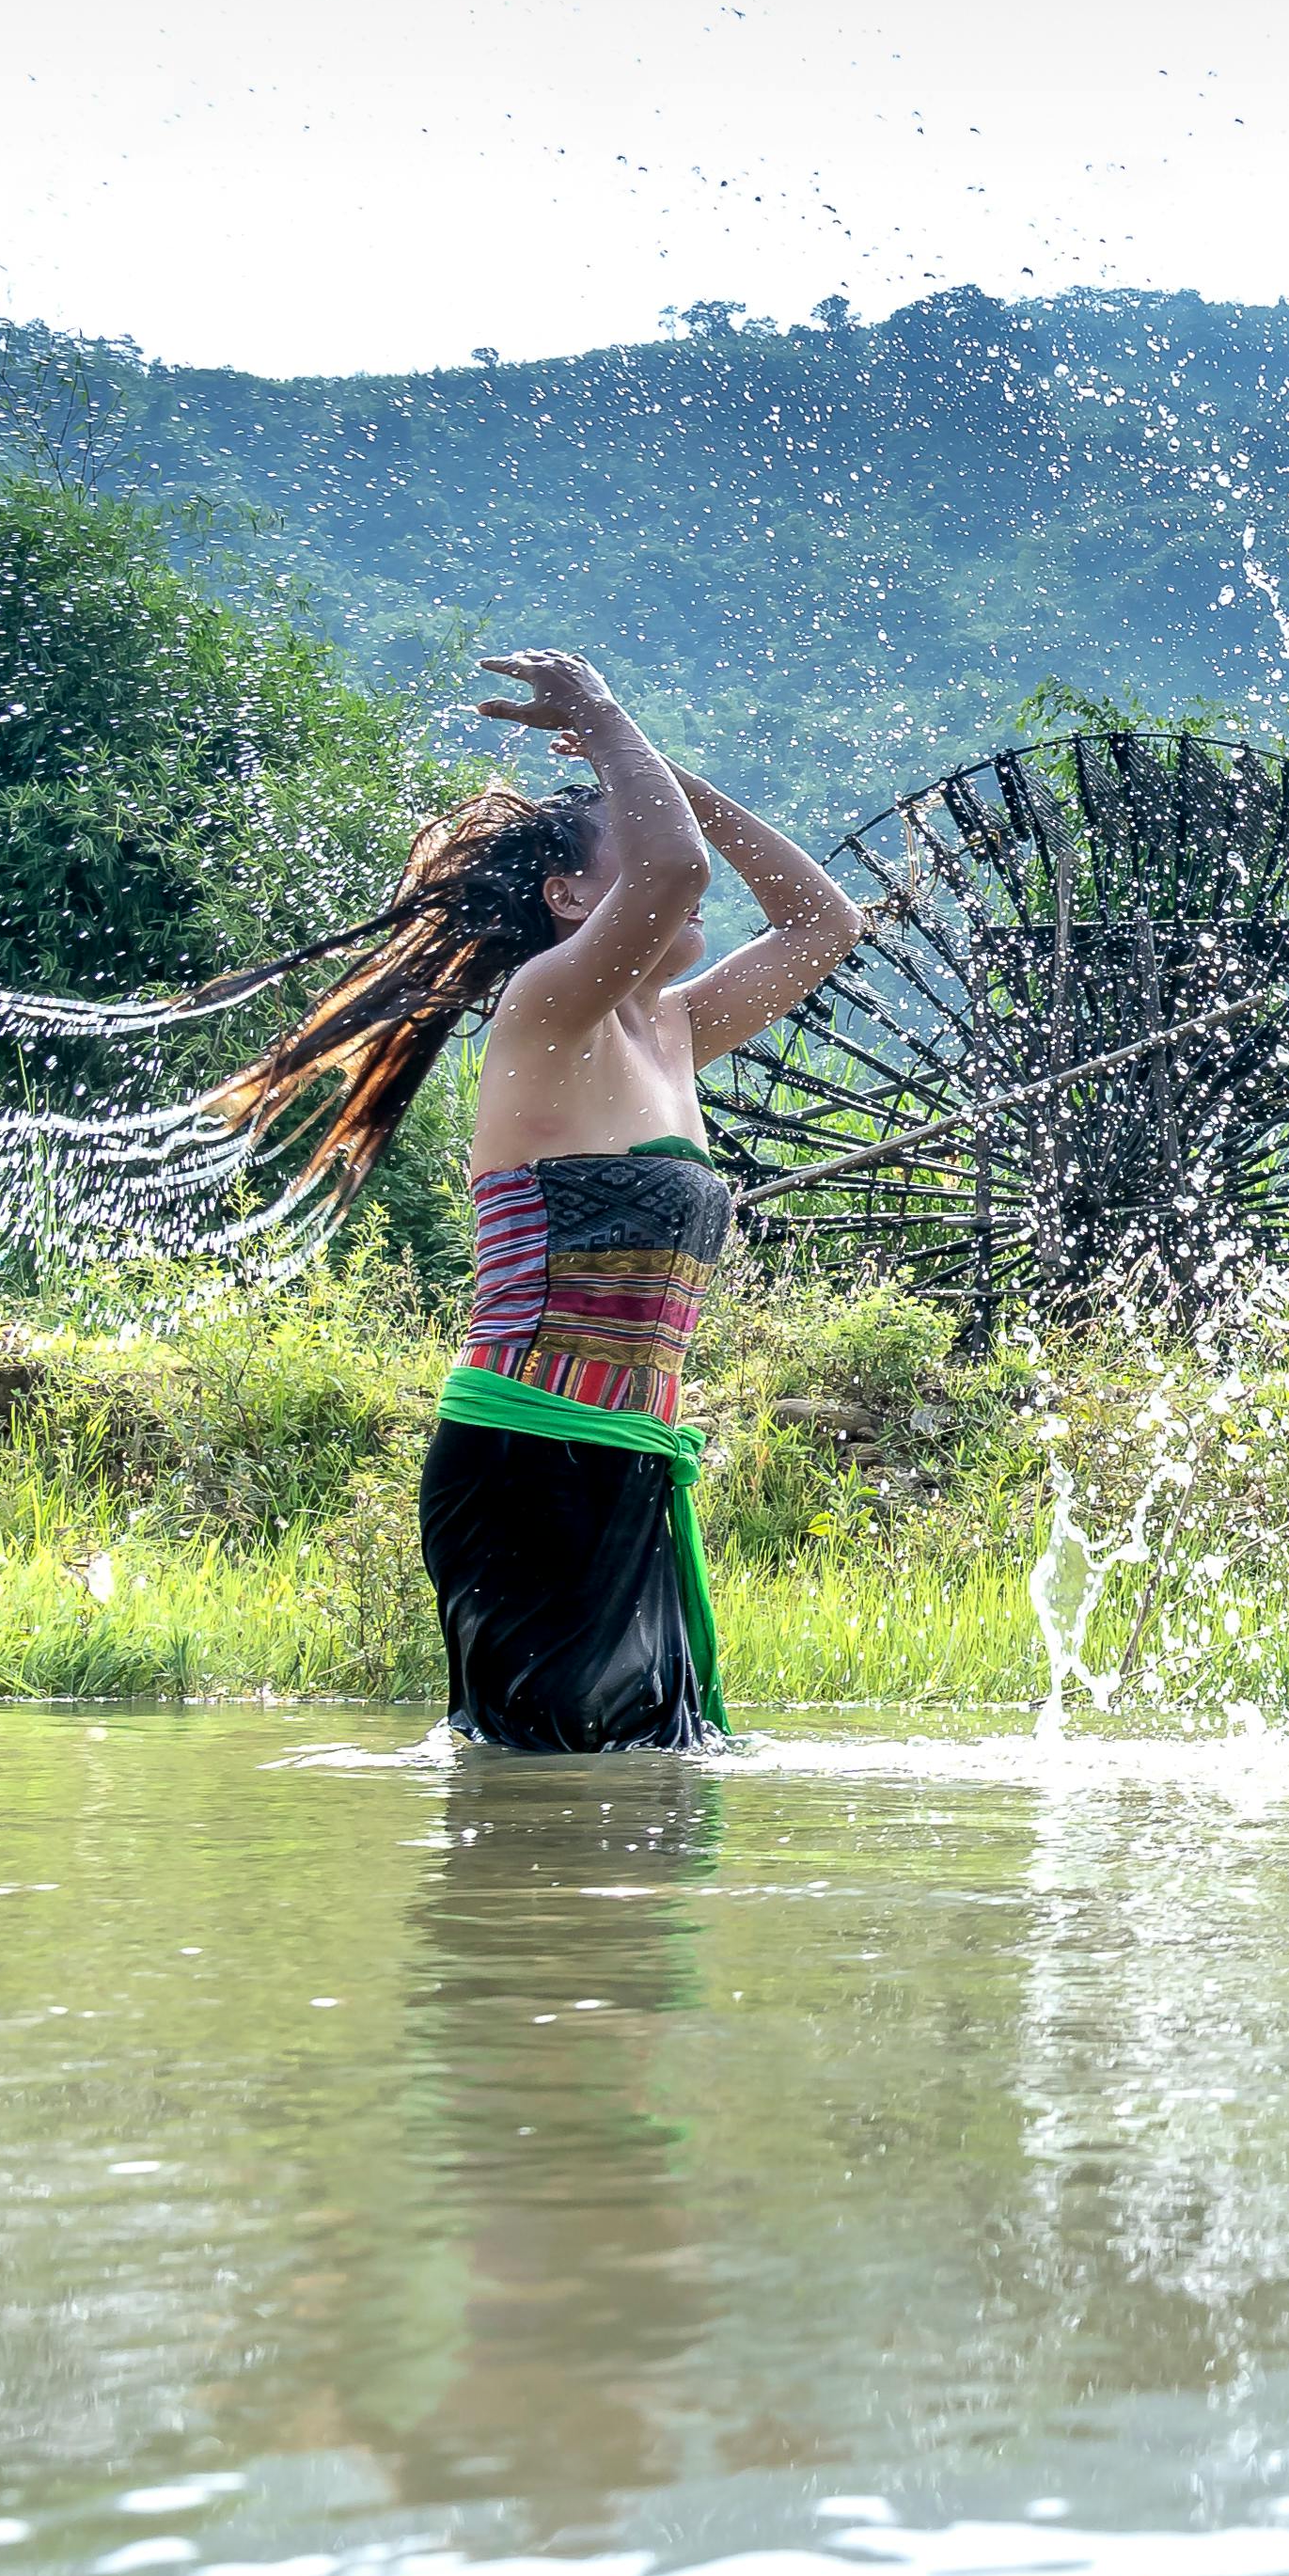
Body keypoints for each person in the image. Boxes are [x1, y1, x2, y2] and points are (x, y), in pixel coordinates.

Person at [199, 649, 869, 1750]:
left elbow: (820, 924)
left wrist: (663, 772)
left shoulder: (673, 1031)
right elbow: (676, 877)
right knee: (543, 1776)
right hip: (527, 1457)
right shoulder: (547, 1003)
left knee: (651, 1782)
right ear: (568, 897)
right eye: (635, 835)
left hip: (630, 1459)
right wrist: (608, 723)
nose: (671, 849)